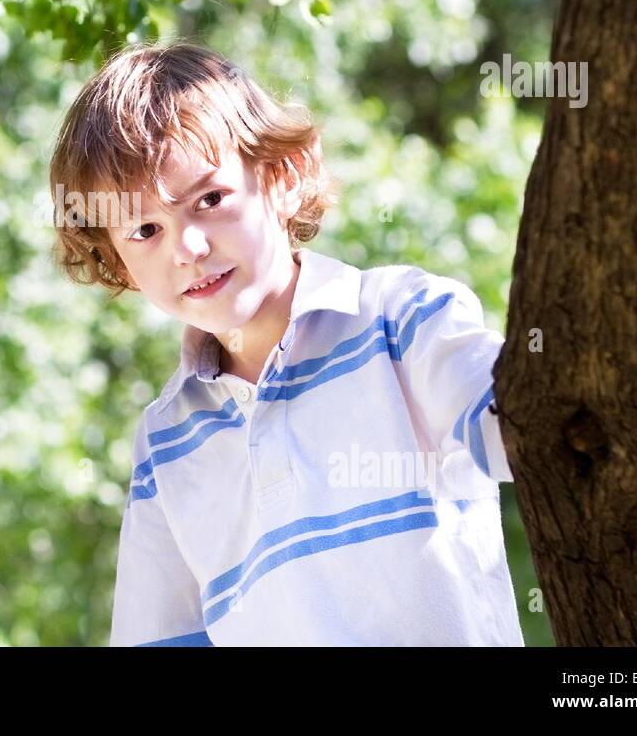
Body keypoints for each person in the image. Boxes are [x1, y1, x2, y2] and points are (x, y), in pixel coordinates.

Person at [47, 40, 523, 646]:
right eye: (145, 229)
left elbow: (538, 435)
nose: (187, 247)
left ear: (282, 175)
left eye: (210, 199)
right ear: (116, 260)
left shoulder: (403, 320)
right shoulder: (165, 443)